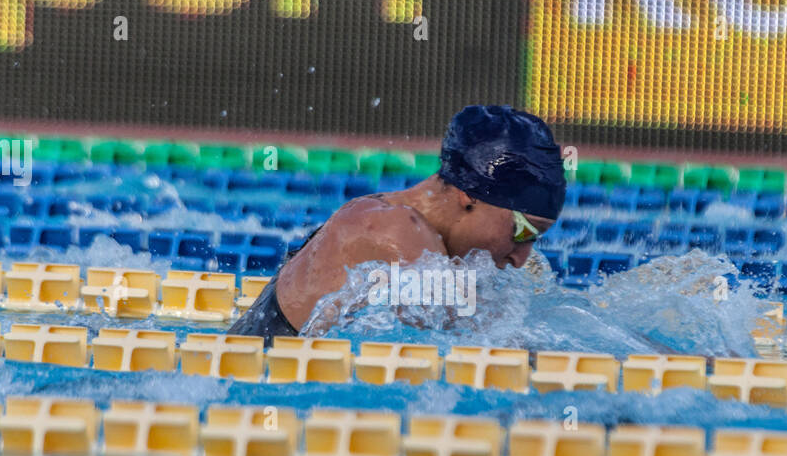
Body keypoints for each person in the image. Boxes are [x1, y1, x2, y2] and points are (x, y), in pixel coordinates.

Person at [228, 104, 566, 339]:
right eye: (524, 231)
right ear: (471, 195)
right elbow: (483, 345)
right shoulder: (395, 230)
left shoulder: (399, 221)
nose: (521, 257)